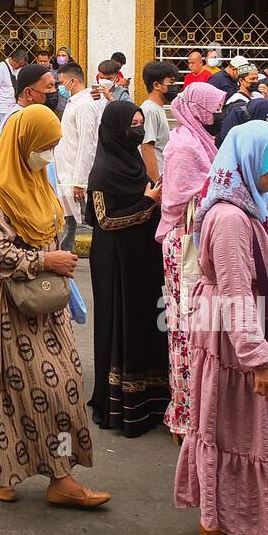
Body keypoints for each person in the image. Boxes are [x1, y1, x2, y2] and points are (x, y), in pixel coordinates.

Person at [0, 105, 109, 506]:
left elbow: (50, 230)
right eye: (43, 146)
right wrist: (46, 261)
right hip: (5, 305)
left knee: (62, 385)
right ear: (23, 142)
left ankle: (60, 477)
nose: (48, 154)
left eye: (53, 147)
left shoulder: (37, 180)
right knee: (6, 390)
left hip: (44, 301)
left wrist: (51, 262)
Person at [174, 120, 268, 535]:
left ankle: (231, 515)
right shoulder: (232, 218)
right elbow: (234, 293)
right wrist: (258, 360)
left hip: (241, 333)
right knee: (237, 430)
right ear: (250, 163)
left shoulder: (248, 205)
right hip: (235, 340)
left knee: (242, 427)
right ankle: (218, 522)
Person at [85, 101, 167, 436]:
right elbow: (104, 221)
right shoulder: (102, 171)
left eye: (140, 123)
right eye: (131, 124)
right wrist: (148, 203)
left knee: (147, 325)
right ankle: (120, 404)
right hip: (115, 261)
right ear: (115, 128)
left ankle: (154, 398)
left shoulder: (135, 162)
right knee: (121, 325)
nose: (137, 130)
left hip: (143, 256)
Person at [157, 82, 227, 437]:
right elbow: (179, 200)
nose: (217, 117)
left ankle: (201, 410)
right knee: (188, 329)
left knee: (203, 326)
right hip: (186, 243)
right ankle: (186, 414)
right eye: (213, 110)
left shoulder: (199, 140)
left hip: (195, 241)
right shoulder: (185, 147)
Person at [54, 60, 102, 254]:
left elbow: (87, 144)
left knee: (76, 220)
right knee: (68, 221)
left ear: (72, 81)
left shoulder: (84, 105)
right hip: (66, 172)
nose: (60, 87)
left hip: (75, 175)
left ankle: (66, 257)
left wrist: (80, 181)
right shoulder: (75, 103)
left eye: (61, 82)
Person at [0, 62, 56, 149]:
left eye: (54, 86)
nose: (54, 91)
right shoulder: (24, 120)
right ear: (28, 93)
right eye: (49, 87)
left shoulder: (18, 114)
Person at [139, 60, 175, 183]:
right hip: (155, 180)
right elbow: (147, 148)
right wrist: (156, 183)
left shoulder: (158, 108)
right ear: (156, 85)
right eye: (171, 83)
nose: (174, 88)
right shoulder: (150, 110)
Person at [0, 46, 28, 130]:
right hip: (2, 107)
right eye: (20, 65)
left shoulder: (19, 68)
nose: (20, 67)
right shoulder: (0, 68)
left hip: (14, 106)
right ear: (14, 60)